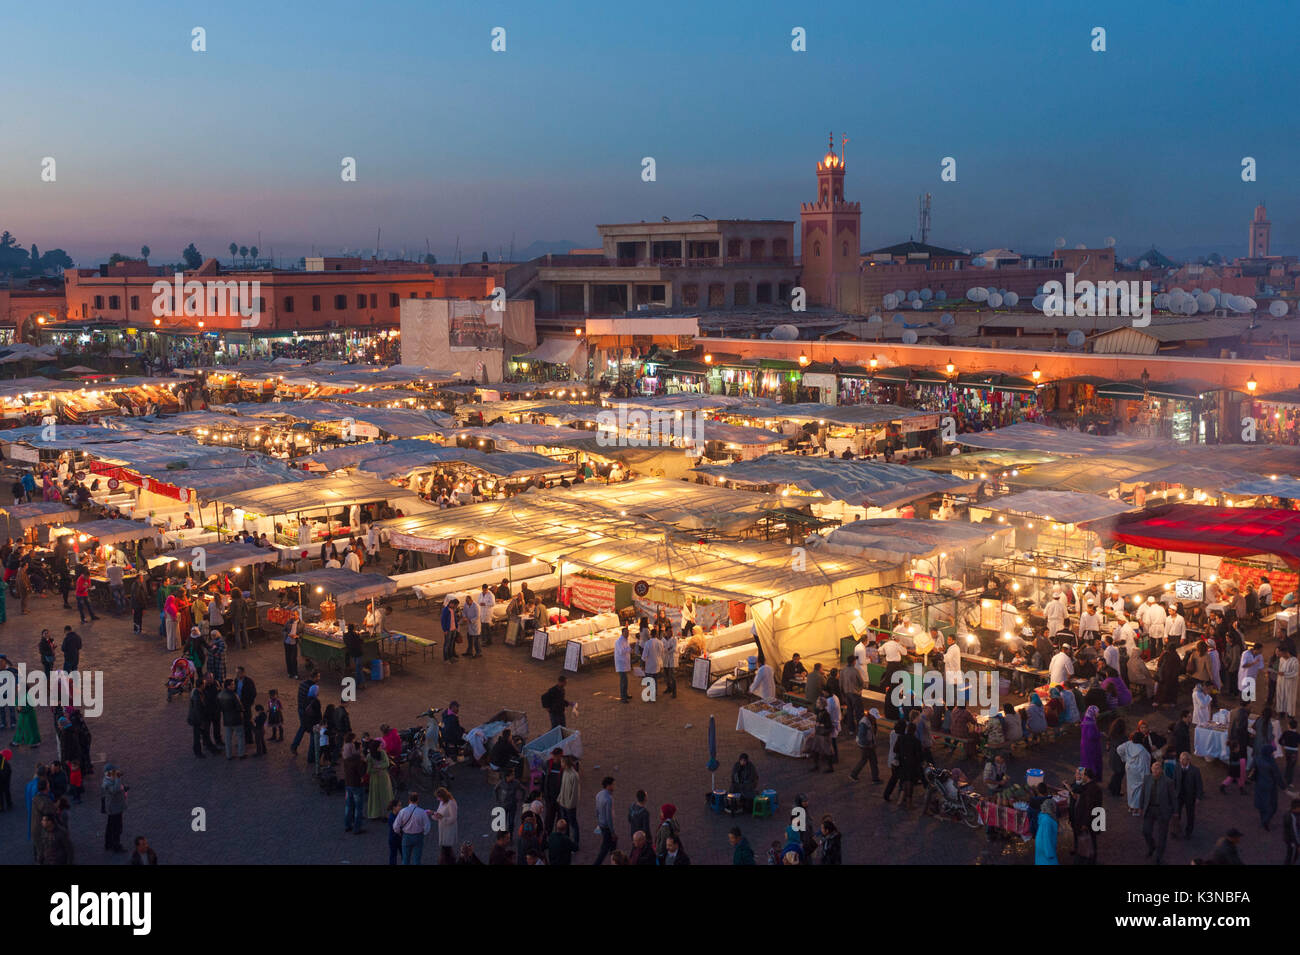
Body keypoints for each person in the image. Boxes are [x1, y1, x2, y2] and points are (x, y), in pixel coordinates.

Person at [1142, 758, 1176, 863]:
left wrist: (1175, 811)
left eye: (1158, 769)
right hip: (1150, 809)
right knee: (1146, 831)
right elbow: (1143, 793)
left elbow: (1173, 798)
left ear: (1161, 770)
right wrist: (1140, 807)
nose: (1156, 771)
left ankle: (1159, 856)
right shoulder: (1147, 779)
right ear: (1151, 769)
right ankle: (1152, 846)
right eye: (1154, 768)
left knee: (1162, 835)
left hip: (1162, 810)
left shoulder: (1168, 782)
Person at [1071, 767, 1104, 864]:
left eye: (1082, 775)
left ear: (1086, 776)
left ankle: (1089, 859)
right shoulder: (1092, 787)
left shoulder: (1091, 790)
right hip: (1092, 820)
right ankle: (1089, 858)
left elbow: (1089, 808)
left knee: (1090, 840)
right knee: (1091, 840)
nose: (1081, 776)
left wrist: (1085, 823)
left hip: (1089, 821)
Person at [1115, 732, 1152, 815]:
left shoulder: (1128, 744)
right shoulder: (1142, 750)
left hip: (1129, 769)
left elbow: (1119, 749)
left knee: (1130, 788)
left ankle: (1131, 807)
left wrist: (1125, 758)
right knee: (1138, 789)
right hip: (1139, 771)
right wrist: (1146, 775)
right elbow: (1145, 763)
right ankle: (1136, 808)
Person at [393, 791, 432, 865]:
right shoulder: (422, 812)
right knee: (417, 860)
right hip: (418, 836)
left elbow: (395, 826)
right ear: (417, 800)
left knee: (405, 859)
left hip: (406, 836)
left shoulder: (403, 811)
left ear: (409, 800)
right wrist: (423, 833)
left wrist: (399, 833)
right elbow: (427, 826)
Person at [1256, 744, 1286, 830]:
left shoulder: (1257, 759)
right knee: (1273, 806)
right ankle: (1266, 820)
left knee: (1262, 804)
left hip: (1259, 785)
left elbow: (1253, 771)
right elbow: (1277, 776)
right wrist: (1284, 787)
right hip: (1270, 787)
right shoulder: (1271, 763)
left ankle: (1263, 818)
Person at [849, 708, 881, 783]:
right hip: (866, 746)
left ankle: (875, 778)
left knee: (871, 760)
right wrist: (869, 744)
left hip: (869, 745)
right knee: (868, 760)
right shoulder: (864, 723)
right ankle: (854, 774)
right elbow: (862, 736)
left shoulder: (869, 721)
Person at [101, 764, 128, 853]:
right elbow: (115, 790)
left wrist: (124, 788)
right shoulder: (107, 782)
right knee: (116, 828)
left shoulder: (110, 780)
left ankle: (108, 844)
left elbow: (118, 787)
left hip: (115, 808)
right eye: (114, 771)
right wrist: (118, 778)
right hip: (114, 809)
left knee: (111, 826)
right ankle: (116, 845)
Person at [593, 776, 617, 866]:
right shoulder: (609, 799)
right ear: (608, 785)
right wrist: (613, 832)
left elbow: (597, 811)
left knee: (611, 845)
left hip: (601, 824)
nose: (614, 786)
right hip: (607, 826)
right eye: (613, 785)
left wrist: (599, 822)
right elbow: (609, 817)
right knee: (605, 848)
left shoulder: (599, 794)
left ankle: (614, 860)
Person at [1035, 798, 1059, 865]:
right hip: (1045, 847)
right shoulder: (1047, 820)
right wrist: (1049, 853)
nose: (1055, 808)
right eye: (1054, 806)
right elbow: (1046, 837)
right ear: (1050, 807)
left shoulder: (1046, 816)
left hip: (1042, 844)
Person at [613, 627, 632, 703]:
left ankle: (625, 694)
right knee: (623, 681)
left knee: (625, 680)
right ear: (622, 633)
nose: (627, 634)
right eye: (626, 633)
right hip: (621, 664)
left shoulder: (625, 640)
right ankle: (623, 697)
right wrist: (629, 649)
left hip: (624, 663)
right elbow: (621, 651)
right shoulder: (619, 641)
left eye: (628, 633)